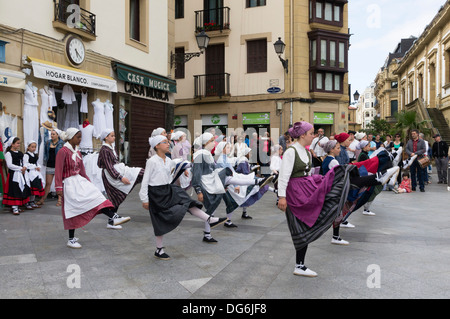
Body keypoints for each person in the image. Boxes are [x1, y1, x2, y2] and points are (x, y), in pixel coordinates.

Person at [277, 122, 360, 277]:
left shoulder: (307, 152)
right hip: (294, 193)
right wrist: (282, 197)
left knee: (308, 223)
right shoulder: (291, 152)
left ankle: (300, 264)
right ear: (302, 135)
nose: (313, 136)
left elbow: (307, 174)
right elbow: (284, 176)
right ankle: (299, 265)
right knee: (300, 226)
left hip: (305, 189)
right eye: (311, 133)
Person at [139, 135, 227, 260]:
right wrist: (144, 199)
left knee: (187, 201)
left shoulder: (169, 161)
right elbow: (145, 181)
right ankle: (159, 249)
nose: (167, 144)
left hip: (168, 189)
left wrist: (183, 171)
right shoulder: (152, 161)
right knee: (159, 220)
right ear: (157, 146)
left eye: (167, 142)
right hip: (156, 193)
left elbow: (171, 176)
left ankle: (209, 219)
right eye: (164, 142)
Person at [55, 128, 131, 249]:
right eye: (78, 137)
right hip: (69, 183)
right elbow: (58, 170)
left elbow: (82, 170)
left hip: (79, 181)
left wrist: (89, 183)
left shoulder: (78, 152)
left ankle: (113, 216)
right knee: (72, 209)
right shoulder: (63, 152)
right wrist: (58, 187)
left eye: (81, 137)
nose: (80, 140)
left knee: (97, 197)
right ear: (70, 137)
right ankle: (71, 238)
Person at [97, 129, 144, 226]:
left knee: (116, 198)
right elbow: (109, 167)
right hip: (111, 176)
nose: (114, 137)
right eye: (112, 135)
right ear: (106, 137)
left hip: (116, 172)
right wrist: (120, 177)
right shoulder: (105, 150)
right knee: (115, 197)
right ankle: (112, 220)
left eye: (114, 135)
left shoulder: (110, 148)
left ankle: (111, 221)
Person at [2, 137, 32, 214]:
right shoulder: (9, 153)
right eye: (17, 143)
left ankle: (18, 205)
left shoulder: (20, 153)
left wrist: (25, 166)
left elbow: (24, 161)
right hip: (14, 174)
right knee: (14, 189)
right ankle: (14, 207)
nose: (19, 145)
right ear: (12, 144)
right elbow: (9, 165)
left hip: (21, 173)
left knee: (20, 188)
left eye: (19, 143)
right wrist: (20, 168)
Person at [37, 129, 64, 206]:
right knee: (48, 183)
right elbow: (46, 152)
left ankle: (60, 200)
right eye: (51, 134)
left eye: (53, 134)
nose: (52, 135)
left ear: (57, 135)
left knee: (59, 183)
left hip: (58, 165)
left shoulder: (62, 143)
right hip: (49, 164)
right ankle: (43, 199)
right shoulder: (48, 142)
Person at [23, 141, 44, 208]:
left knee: (35, 188)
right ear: (28, 147)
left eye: (35, 147)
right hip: (29, 174)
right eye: (32, 147)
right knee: (30, 188)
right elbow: (26, 164)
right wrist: (34, 167)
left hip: (35, 173)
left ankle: (32, 201)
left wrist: (38, 167)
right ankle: (27, 202)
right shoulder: (26, 155)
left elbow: (37, 163)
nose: (34, 148)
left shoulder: (35, 155)